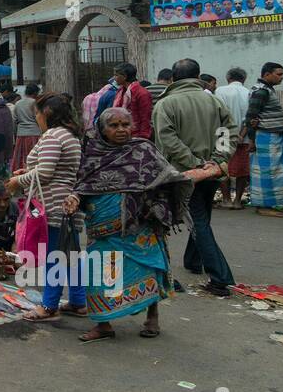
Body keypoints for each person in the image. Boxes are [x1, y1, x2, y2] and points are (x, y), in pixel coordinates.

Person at [65, 107, 219, 342]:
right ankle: (103, 324)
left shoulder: (143, 149)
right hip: (102, 229)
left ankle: (152, 316)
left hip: (140, 225)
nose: (120, 130)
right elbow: (82, 185)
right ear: (102, 129)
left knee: (147, 269)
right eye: (114, 125)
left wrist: (205, 172)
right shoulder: (92, 152)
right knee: (100, 275)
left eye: (125, 124)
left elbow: (170, 177)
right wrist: (74, 199)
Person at [153, 58, 236, 296]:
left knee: (196, 220)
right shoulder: (213, 100)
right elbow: (227, 131)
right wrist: (216, 159)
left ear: (173, 79)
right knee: (201, 215)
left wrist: (194, 163)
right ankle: (193, 260)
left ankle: (220, 278)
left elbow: (168, 140)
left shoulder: (166, 104)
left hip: (184, 173)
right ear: (198, 76)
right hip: (212, 171)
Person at [6, 93, 84, 322]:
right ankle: (79, 301)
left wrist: (17, 181)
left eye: (37, 113)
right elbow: (51, 168)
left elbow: (46, 172)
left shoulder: (52, 135)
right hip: (67, 203)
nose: (37, 118)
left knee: (55, 256)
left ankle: (49, 306)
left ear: (46, 114)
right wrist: (27, 173)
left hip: (54, 206)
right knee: (70, 254)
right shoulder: (68, 135)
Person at [246, 62, 283, 216]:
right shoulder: (262, 91)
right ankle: (265, 206)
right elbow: (251, 116)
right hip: (266, 138)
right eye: (279, 74)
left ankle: (274, 204)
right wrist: (251, 140)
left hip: (272, 136)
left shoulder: (266, 90)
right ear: (267, 74)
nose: (282, 77)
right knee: (269, 172)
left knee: (276, 171)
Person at [215, 68, 252, 209]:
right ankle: (237, 201)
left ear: (228, 78)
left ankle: (226, 199)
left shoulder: (220, 91)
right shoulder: (248, 92)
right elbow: (250, 117)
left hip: (223, 133)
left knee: (223, 167)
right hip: (244, 136)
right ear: (243, 79)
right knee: (243, 169)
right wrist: (241, 135)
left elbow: (217, 113)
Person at [111, 63, 152, 139]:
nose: (114, 78)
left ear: (124, 77)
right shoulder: (120, 92)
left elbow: (145, 118)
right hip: (121, 134)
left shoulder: (142, 93)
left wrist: (143, 137)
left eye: (116, 75)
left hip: (136, 136)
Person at [11, 83, 42, 171]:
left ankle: (19, 175)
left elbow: (14, 120)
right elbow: (38, 118)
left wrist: (15, 133)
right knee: (33, 157)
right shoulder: (35, 103)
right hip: (34, 133)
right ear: (35, 93)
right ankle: (32, 174)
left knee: (20, 157)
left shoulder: (17, 103)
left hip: (21, 133)